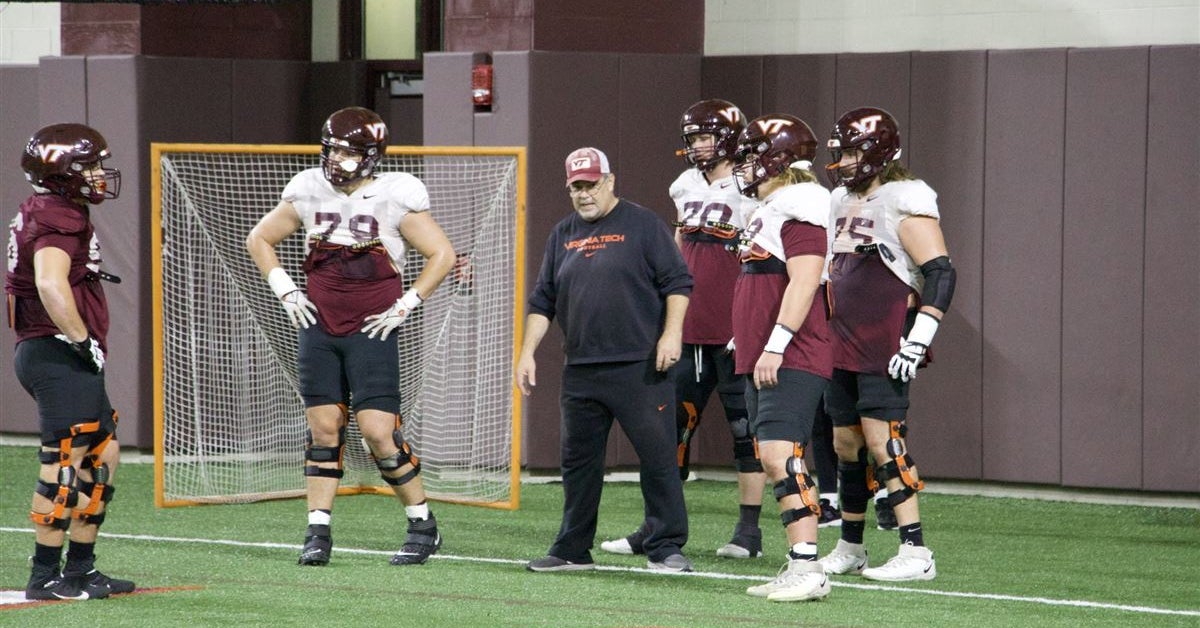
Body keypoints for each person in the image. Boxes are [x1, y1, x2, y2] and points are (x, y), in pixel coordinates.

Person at [246, 106, 455, 567]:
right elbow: (259, 238)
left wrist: (406, 305)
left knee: (379, 433)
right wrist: (284, 289)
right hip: (318, 325)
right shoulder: (306, 188)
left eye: (347, 151)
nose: (337, 158)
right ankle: (318, 529)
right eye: (333, 148)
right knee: (323, 429)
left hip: (371, 327)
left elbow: (442, 253)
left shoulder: (397, 193)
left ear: (371, 155)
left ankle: (423, 522)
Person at [600, 98, 768, 560]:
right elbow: (678, 246)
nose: (697, 146)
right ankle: (657, 527)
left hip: (736, 328)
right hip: (690, 328)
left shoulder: (753, 183)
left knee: (746, 431)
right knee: (666, 432)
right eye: (692, 138)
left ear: (729, 137)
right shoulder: (684, 184)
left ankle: (748, 533)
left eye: (705, 136)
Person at [518, 147, 695, 573]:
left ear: (610, 181)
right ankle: (572, 549)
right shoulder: (563, 233)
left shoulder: (644, 224)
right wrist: (526, 352)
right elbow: (543, 300)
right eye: (576, 187)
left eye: (591, 184)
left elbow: (678, 282)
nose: (583, 194)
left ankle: (665, 545)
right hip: (580, 369)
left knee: (657, 458)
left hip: (640, 365)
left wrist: (672, 334)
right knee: (578, 464)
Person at [817, 106, 955, 582]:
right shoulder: (838, 198)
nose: (845, 162)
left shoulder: (904, 197)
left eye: (854, 152)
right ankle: (851, 546)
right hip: (843, 337)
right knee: (845, 443)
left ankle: (916, 551)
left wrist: (918, 340)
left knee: (884, 443)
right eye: (842, 153)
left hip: (886, 339)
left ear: (878, 152)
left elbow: (940, 272)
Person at [7, 123, 136, 600]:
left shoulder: (55, 207)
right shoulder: (59, 215)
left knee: (102, 455)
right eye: (90, 167)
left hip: (53, 350)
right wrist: (80, 339)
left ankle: (81, 569)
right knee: (64, 462)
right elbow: (48, 281)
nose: (99, 174)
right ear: (63, 174)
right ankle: (45, 577)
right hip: (54, 350)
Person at [726, 114, 834, 602]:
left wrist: (776, 341)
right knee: (774, 458)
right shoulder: (769, 208)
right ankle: (799, 564)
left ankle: (809, 568)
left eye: (753, 156)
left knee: (780, 456)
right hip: (763, 354)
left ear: (779, 159)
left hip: (792, 353)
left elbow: (806, 279)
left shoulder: (802, 203)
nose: (744, 166)